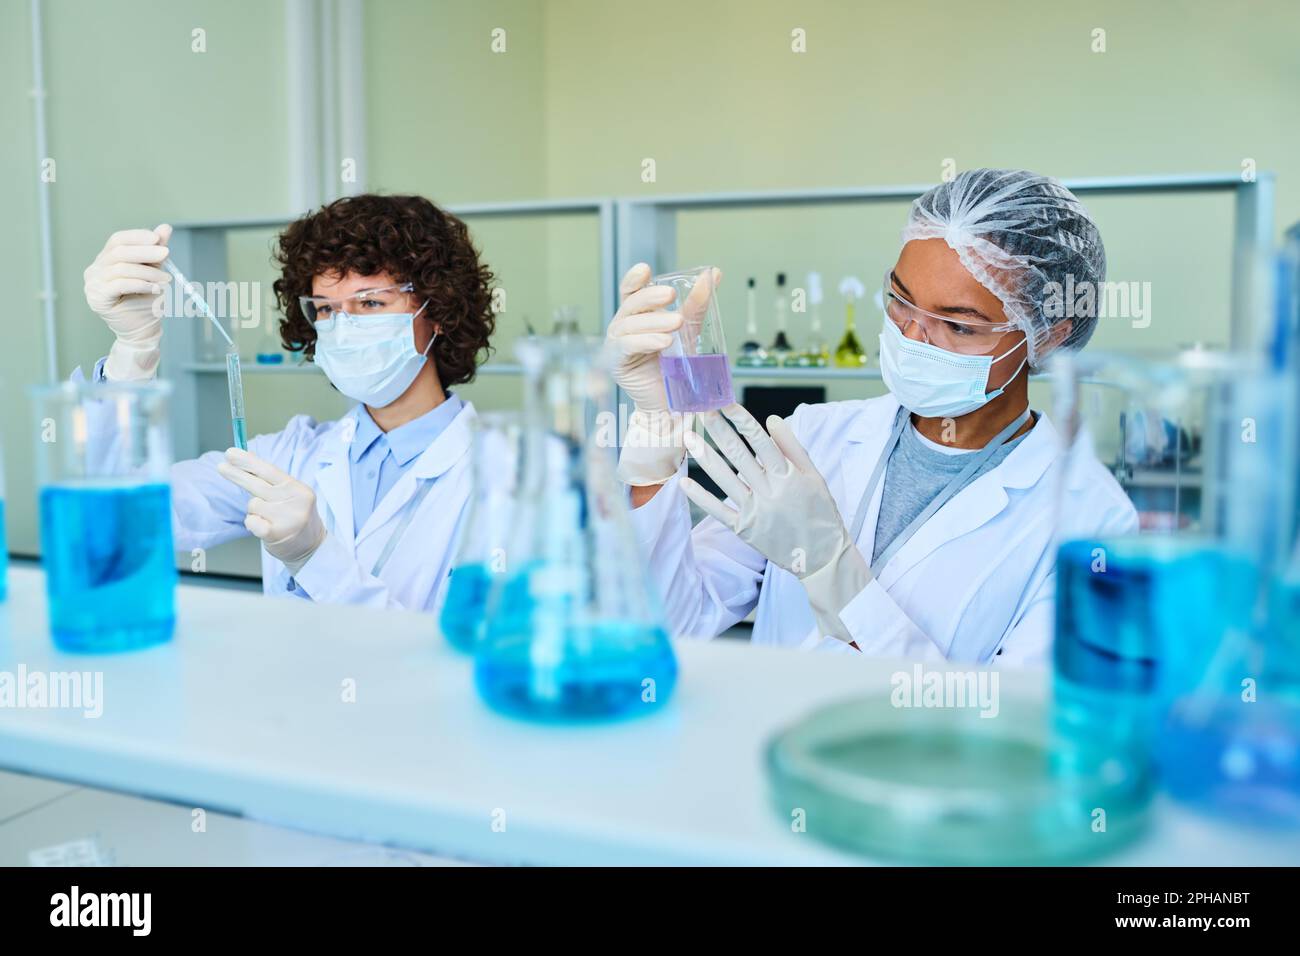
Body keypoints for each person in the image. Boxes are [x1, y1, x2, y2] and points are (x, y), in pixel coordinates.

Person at [607, 168, 1137, 666]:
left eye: (957, 326)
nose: (911, 336)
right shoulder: (815, 435)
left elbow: (1009, 727)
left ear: (1048, 333)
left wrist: (832, 573)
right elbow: (670, 621)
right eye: (901, 302)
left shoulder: (1090, 518)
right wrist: (658, 424)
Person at [80, 194, 495, 610]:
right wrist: (131, 355)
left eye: (371, 302)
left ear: (437, 309)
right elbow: (116, 515)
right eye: (326, 309)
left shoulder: (504, 476)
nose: (344, 326)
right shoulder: (288, 455)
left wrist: (314, 557)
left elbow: (465, 656)